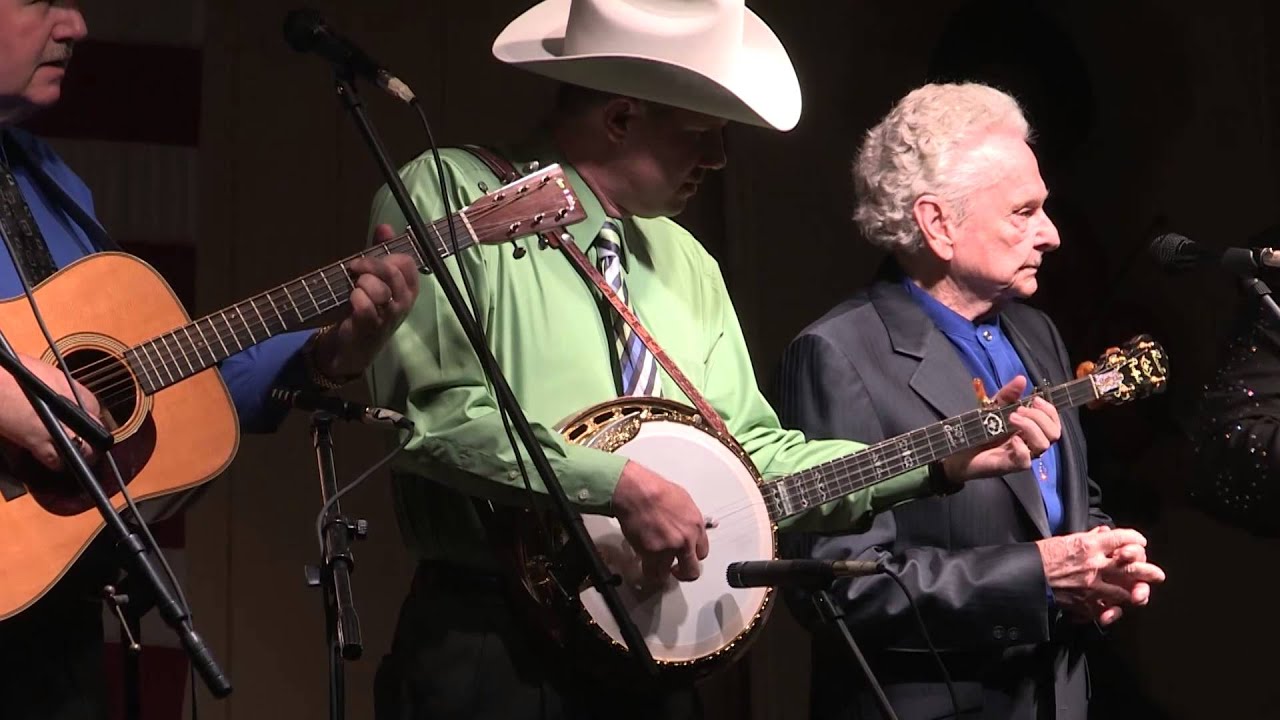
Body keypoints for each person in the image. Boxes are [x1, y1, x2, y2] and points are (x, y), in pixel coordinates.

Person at [365, 4, 1065, 719]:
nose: (720, 159)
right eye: (702, 134)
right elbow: (438, 420)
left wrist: (938, 461)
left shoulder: (686, 260)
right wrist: (622, 484)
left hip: (651, 659)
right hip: (497, 648)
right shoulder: (453, 195)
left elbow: (752, 457)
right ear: (620, 119)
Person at [0, 3, 420, 719]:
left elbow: (156, 368)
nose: (77, 26)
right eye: (45, 0)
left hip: (49, 615)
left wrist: (331, 352)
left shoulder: (50, 181)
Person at [774, 82, 1167, 720]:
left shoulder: (1035, 331)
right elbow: (836, 588)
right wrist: (1038, 577)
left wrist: (1101, 558)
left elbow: (1067, 497)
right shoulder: (836, 354)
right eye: (1023, 211)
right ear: (938, 223)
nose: (1051, 234)